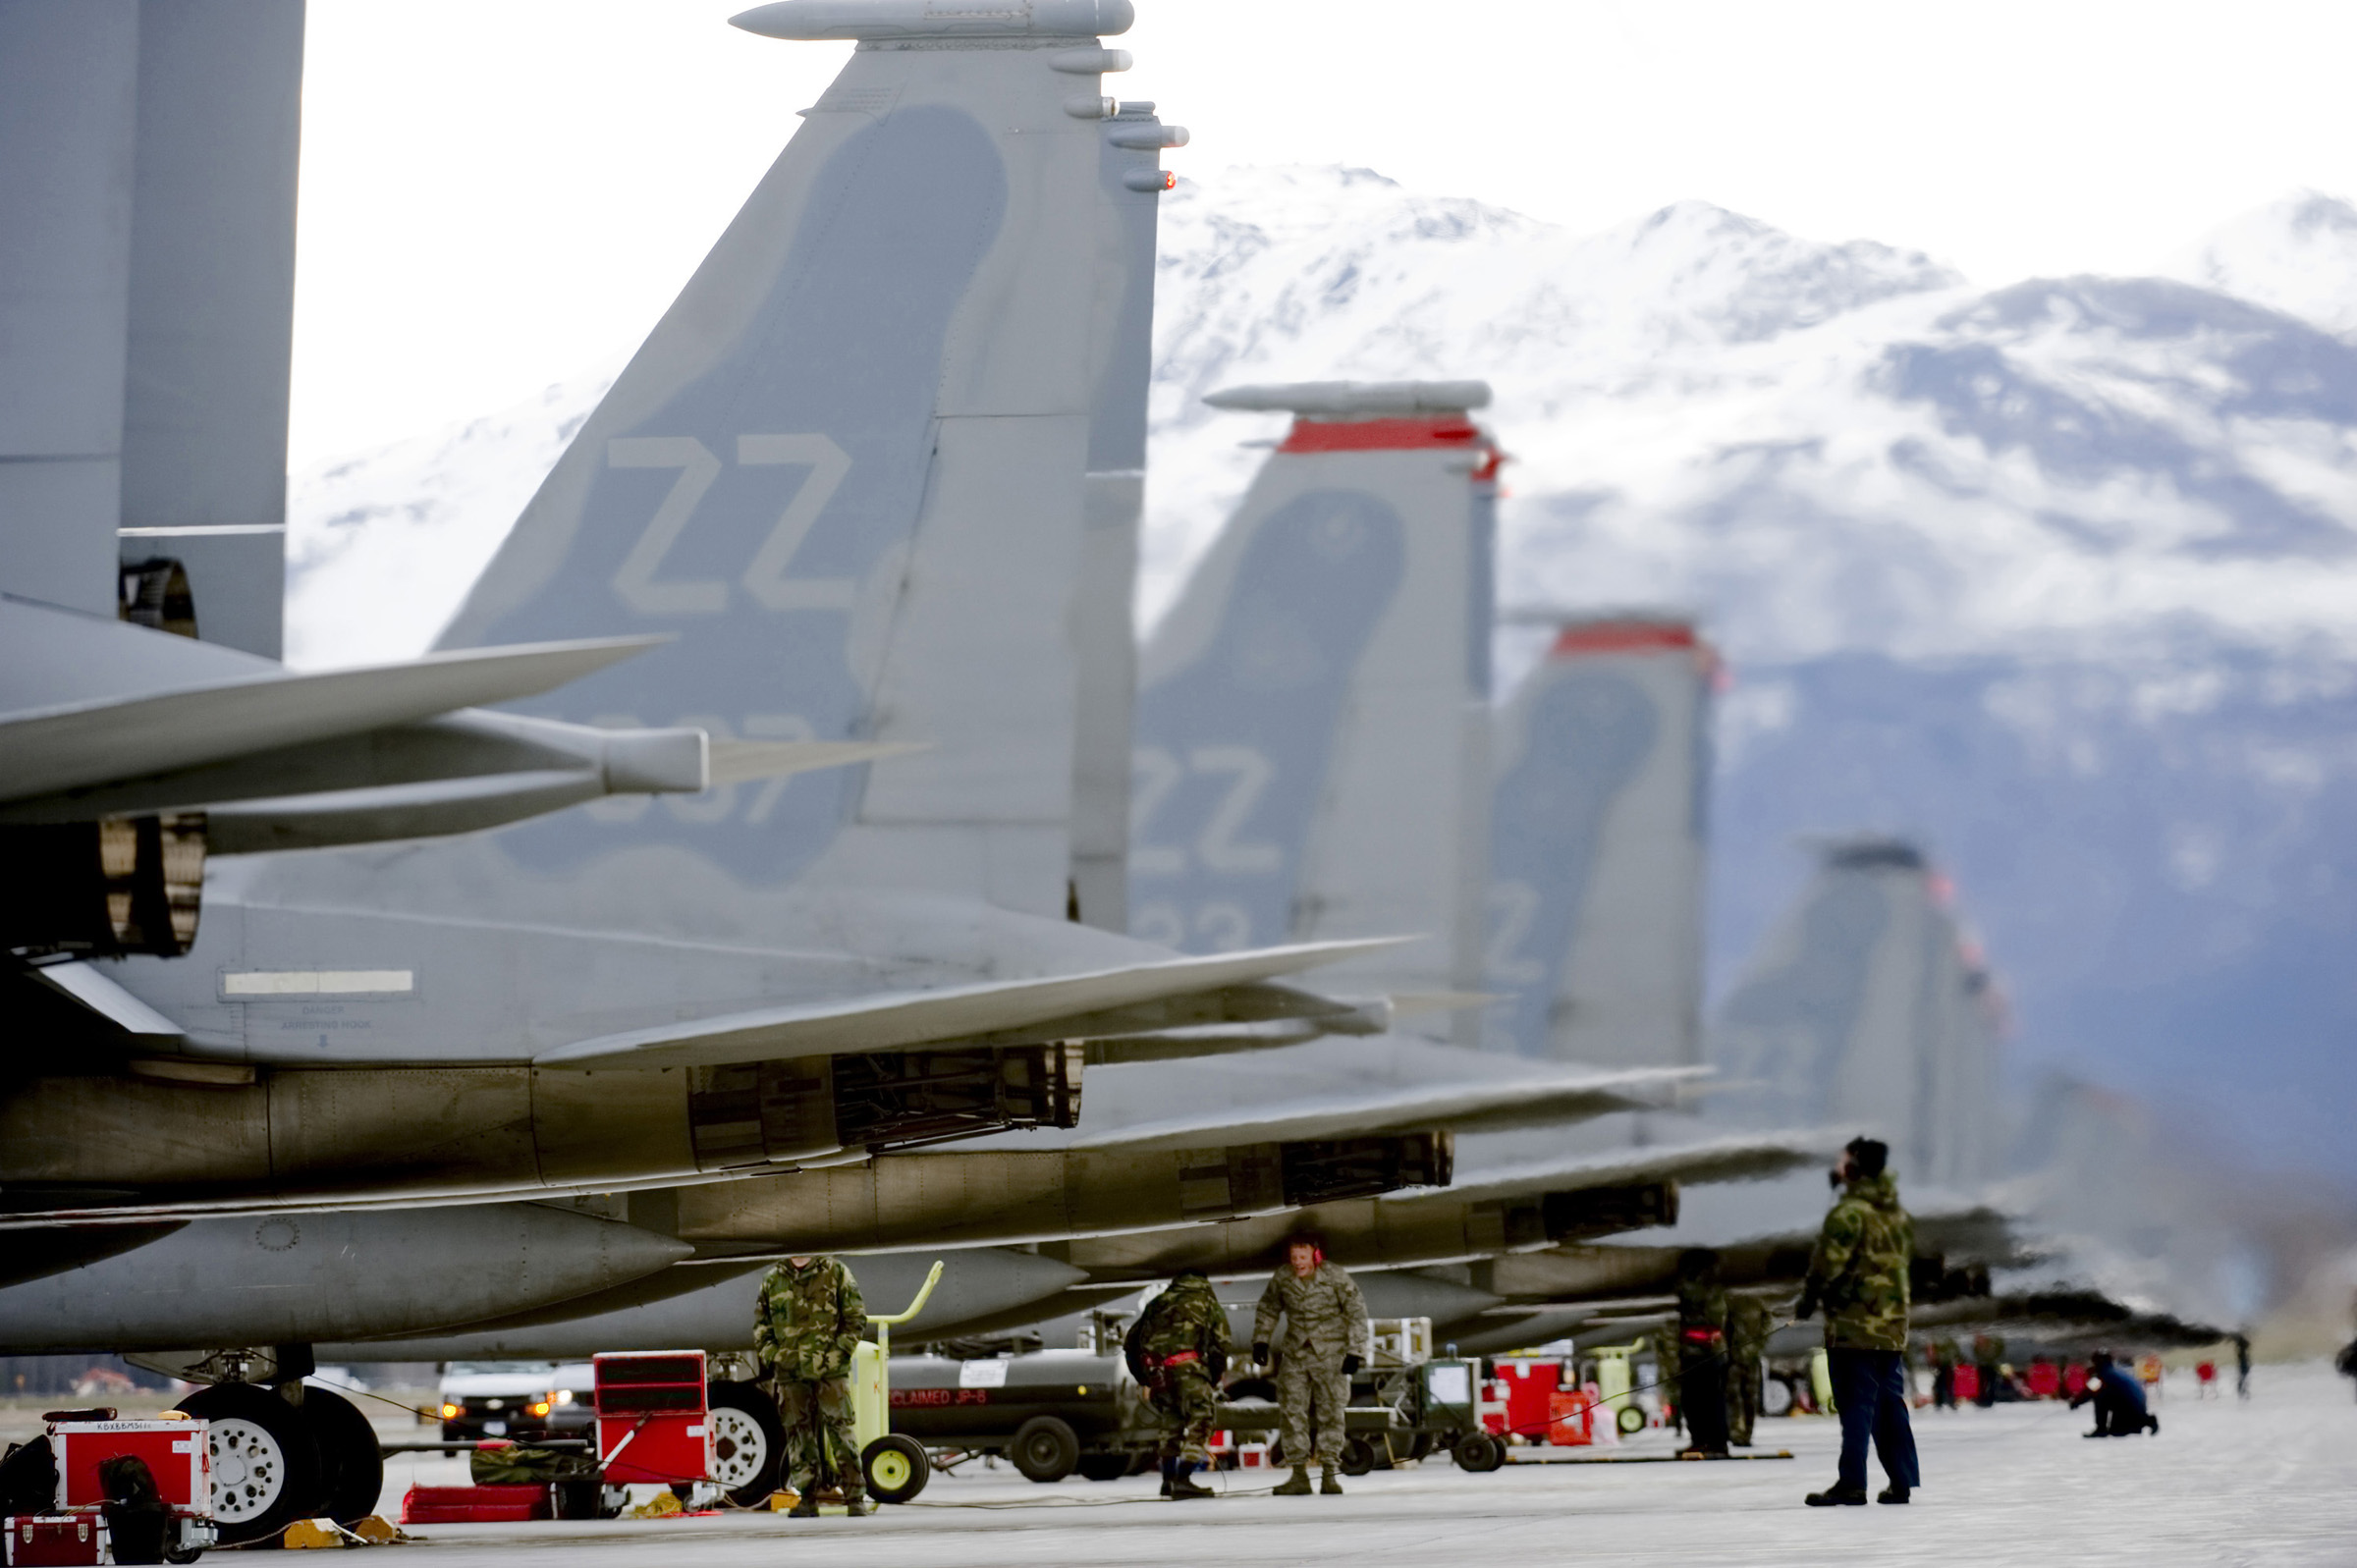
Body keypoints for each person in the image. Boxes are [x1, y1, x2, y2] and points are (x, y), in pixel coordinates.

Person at [1797, 1136, 1921, 1508]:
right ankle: (1901, 1482)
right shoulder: (1896, 1213)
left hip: (1855, 1329)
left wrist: (1807, 1300)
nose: (1836, 1169)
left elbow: (1827, 1265)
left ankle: (1852, 1483)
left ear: (1853, 1168)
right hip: (1892, 1328)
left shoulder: (1849, 1213)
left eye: (1841, 1162)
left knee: (1856, 1408)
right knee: (1889, 1406)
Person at [753, 1254, 871, 1517]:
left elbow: (855, 1317)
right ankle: (807, 1498)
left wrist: (837, 1354)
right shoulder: (773, 1279)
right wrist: (776, 1357)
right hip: (790, 1372)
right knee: (798, 1434)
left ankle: (855, 1497)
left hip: (831, 1370)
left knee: (841, 1431)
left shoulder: (835, 1271)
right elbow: (762, 1327)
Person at [1253, 1235, 1368, 1496]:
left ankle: (1329, 1473)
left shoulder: (1335, 1277)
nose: (1297, 1264)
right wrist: (1261, 1340)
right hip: (1295, 1353)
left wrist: (1355, 1351)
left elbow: (1356, 1311)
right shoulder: (1283, 1278)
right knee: (1292, 1411)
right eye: (1294, 1258)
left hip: (1330, 1354)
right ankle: (1299, 1475)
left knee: (1332, 1412)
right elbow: (1269, 1308)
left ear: (1315, 1256)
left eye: (1302, 1258)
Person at [1124, 1271, 1232, 1500]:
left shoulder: (1158, 1302)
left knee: (1170, 1423)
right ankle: (1183, 1480)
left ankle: (1168, 1481)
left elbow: (1131, 1340)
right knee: (1202, 1420)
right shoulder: (1207, 1302)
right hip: (1189, 1370)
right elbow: (1221, 1342)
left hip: (1160, 1374)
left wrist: (1144, 1377)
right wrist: (1212, 1377)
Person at [1674, 1248, 1731, 1456]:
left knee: (1709, 1401)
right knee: (1692, 1401)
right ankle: (1700, 1439)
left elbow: (1712, 1325)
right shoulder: (1702, 1292)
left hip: (1707, 1354)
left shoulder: (1709, 1292)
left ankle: (1716, 1443)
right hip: (1693, 1353)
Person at [2070, 1349, 2159, 1437]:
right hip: (2138, 1410)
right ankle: (2145, 1420)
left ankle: (2101, 1429)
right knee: (2116, 1431)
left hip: (2127, 1412)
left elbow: (2089, 1392)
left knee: (2100, 1396)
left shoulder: (2103, 1376)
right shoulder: (2118, 1373)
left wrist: (2076, 1402)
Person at [1726, 1291, 1772, 1446]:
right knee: (1738, 1398)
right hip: (1737, 1358)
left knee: (1745, 1399)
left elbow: (1766, 1326)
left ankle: (1743, 1433)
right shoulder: (1734, 1306)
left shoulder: (1752, 1305)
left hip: (1745, 1359)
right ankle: (1739, 1433)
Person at [2233, 1332, 2253, 1400]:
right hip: (2244, 1366)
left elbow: (2245, 1364)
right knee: (2243, 1380)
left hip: (2243, 1367)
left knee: (2242, 1380)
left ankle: (2242, 1392)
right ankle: (2242, 1392)